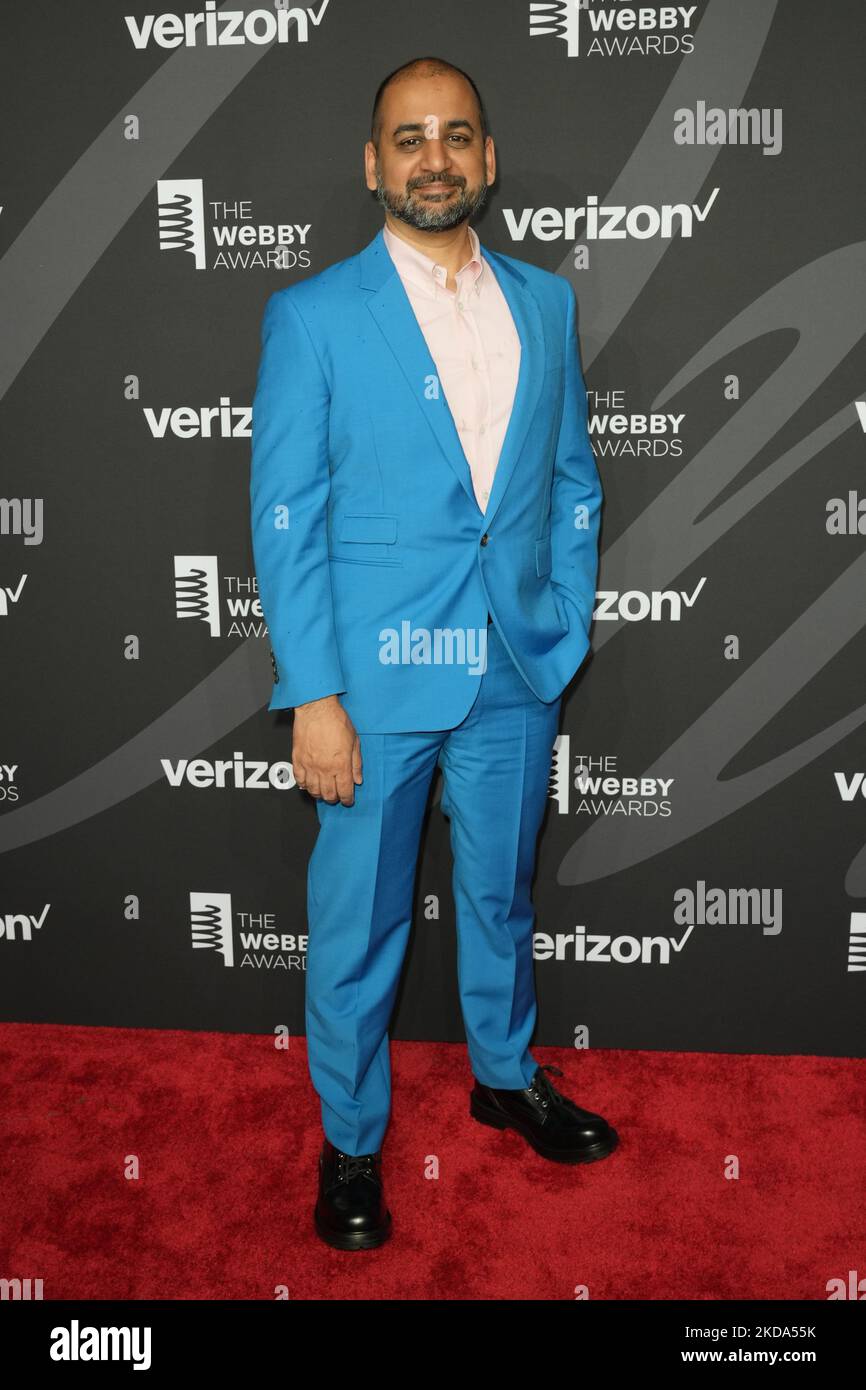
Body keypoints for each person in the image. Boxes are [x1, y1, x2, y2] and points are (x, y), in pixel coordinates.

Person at [250, 55, 618, 1252]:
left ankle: (503, 1077)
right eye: (408, 138)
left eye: (456, 134)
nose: (433, 157)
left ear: (487, 159)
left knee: (499, 899)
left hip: (512, 665)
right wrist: (312, 692)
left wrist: (557, 614)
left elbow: (570, 478)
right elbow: (286, 515)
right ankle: (352, 1143)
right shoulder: (309, 316)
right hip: (371, 679)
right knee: (357, 925)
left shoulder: (547, 303)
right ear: (372, 165)